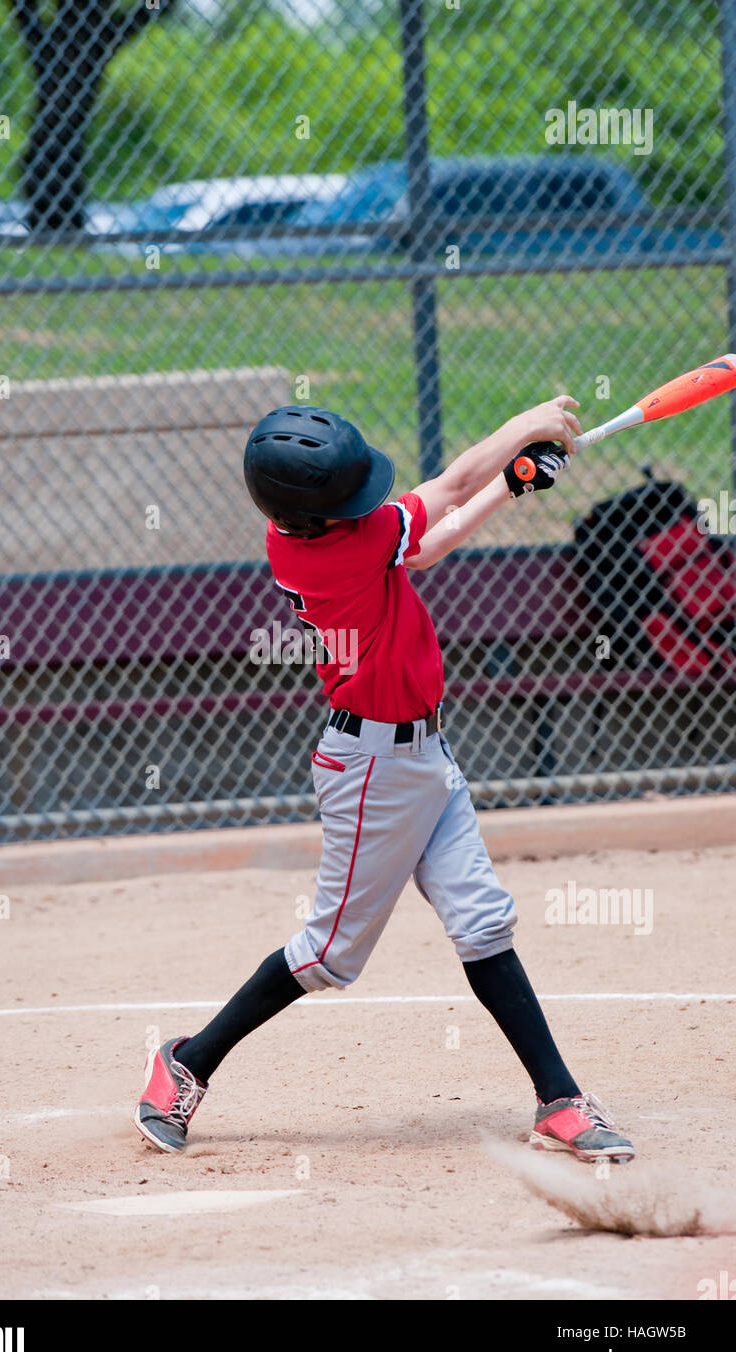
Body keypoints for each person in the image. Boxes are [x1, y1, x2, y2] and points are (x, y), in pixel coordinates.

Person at [134, 402, 634, 1165]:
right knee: (326, 953)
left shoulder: (311, 537)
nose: (362, 504)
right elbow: (451, 480)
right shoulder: (346, 546)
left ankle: (558, 1100)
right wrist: (524, 425)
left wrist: (514, 481)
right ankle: (187, 1061)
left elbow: (425, 546)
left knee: (480, 924)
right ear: (322, 513)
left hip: (422, 758)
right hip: (372, 771)